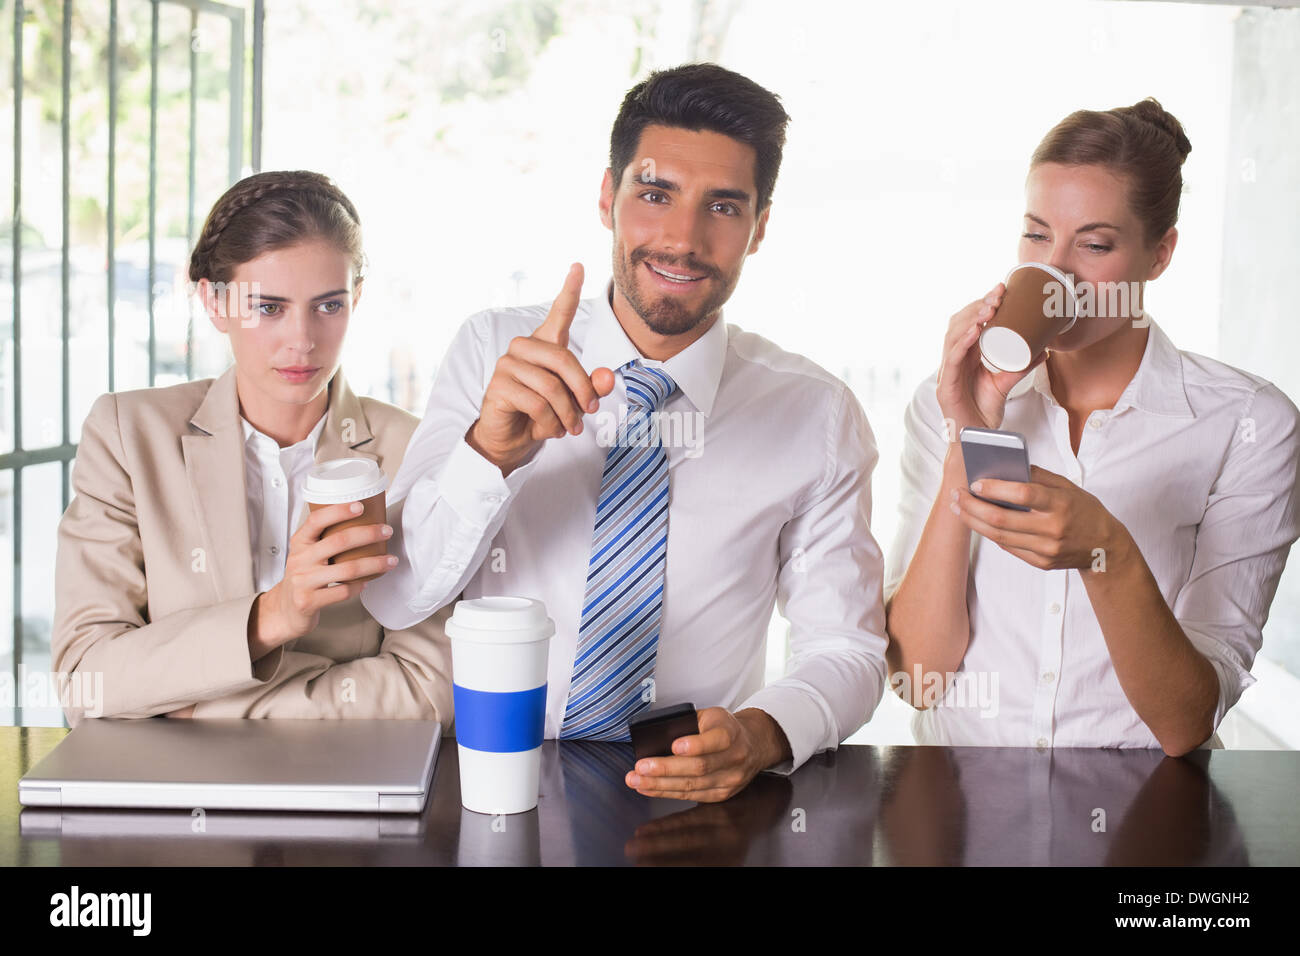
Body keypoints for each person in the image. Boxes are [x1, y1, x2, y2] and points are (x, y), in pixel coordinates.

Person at [363, 63, 888, 802]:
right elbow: (398, 599)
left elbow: (849, 649)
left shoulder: (815, 414)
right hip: (487, 780)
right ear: (608, 197)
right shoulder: (494, 353)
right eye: (655, 194)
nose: (682, 238)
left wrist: (760, 733)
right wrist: (492, 454)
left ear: (760, 227)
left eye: (724, 207)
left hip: (693, 802)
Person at [884, 98, 1300, 755]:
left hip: (1148, 811)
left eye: (1095, 244)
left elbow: (1187, 723)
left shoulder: (1246, 423)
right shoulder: (947, 401)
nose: (1055, 273)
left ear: (1159, 254)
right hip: (958, 806)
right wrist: (973, 434)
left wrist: (1106, 550)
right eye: (1036, 235)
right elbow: (917, 679)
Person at [52, 170, 453, 724]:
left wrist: (194, 705)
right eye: (268, 308)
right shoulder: (128, 435)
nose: (303, 340)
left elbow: (429, 692)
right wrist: (273, 616)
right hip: (168, 795)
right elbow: (85, 681)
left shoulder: (414, 451)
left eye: (329, 305)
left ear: (356, 298)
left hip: (345, 787)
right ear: (214, 304)